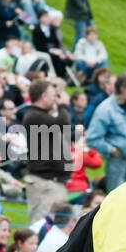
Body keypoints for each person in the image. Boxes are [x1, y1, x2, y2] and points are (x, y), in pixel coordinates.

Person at [22, 79, 73, 224]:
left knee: (60, 227)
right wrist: (64, 105)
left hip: (53, 181)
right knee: (41, 225)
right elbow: (63, 124)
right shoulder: (34, 116)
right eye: (53, 95)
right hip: (44, 183)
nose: (55, 99)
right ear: (44, 96)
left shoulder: (41, 116)